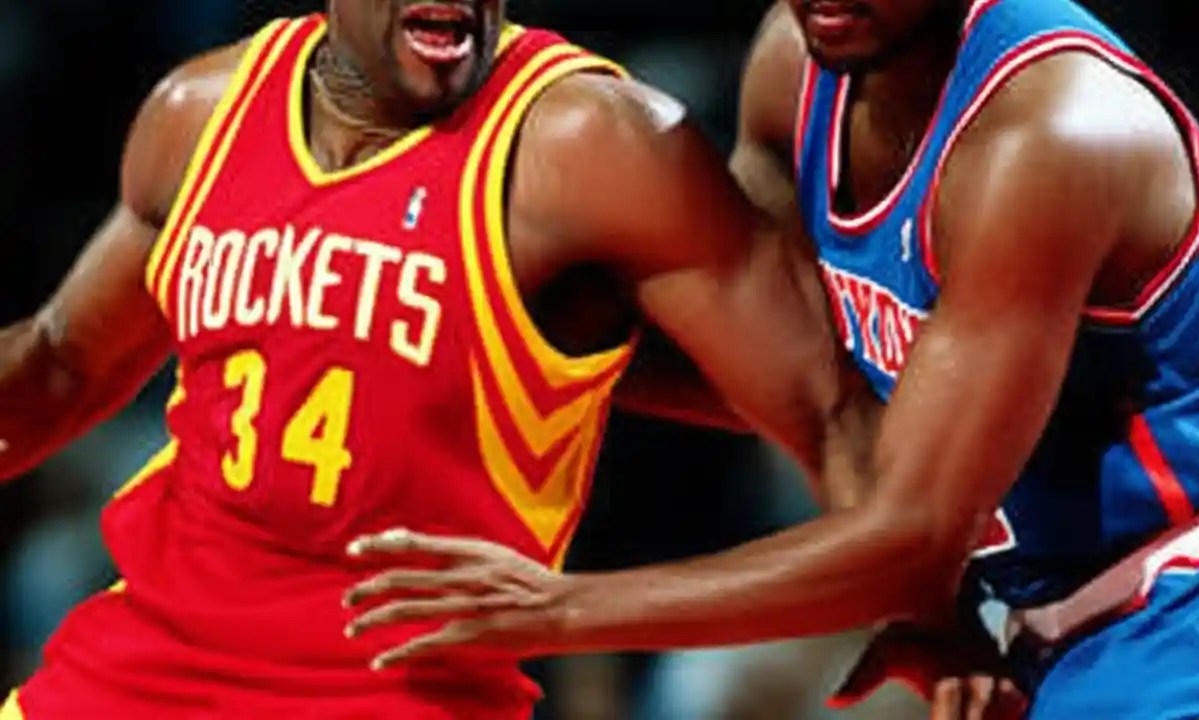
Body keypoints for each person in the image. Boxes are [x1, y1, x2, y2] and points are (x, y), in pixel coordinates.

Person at [0, 0, 997, 716]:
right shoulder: (200, 111)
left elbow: (827, 414)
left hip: (396, 692)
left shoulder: (590, 144)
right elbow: (55, 367)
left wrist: (938, 609)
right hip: (125, 675)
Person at [341, 1, 1199, 718]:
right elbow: (794, 380)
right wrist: (513, 324)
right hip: (1054, 612)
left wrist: (557, 610)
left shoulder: (1051, 130)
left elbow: (911, 541)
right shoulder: (797, 62)